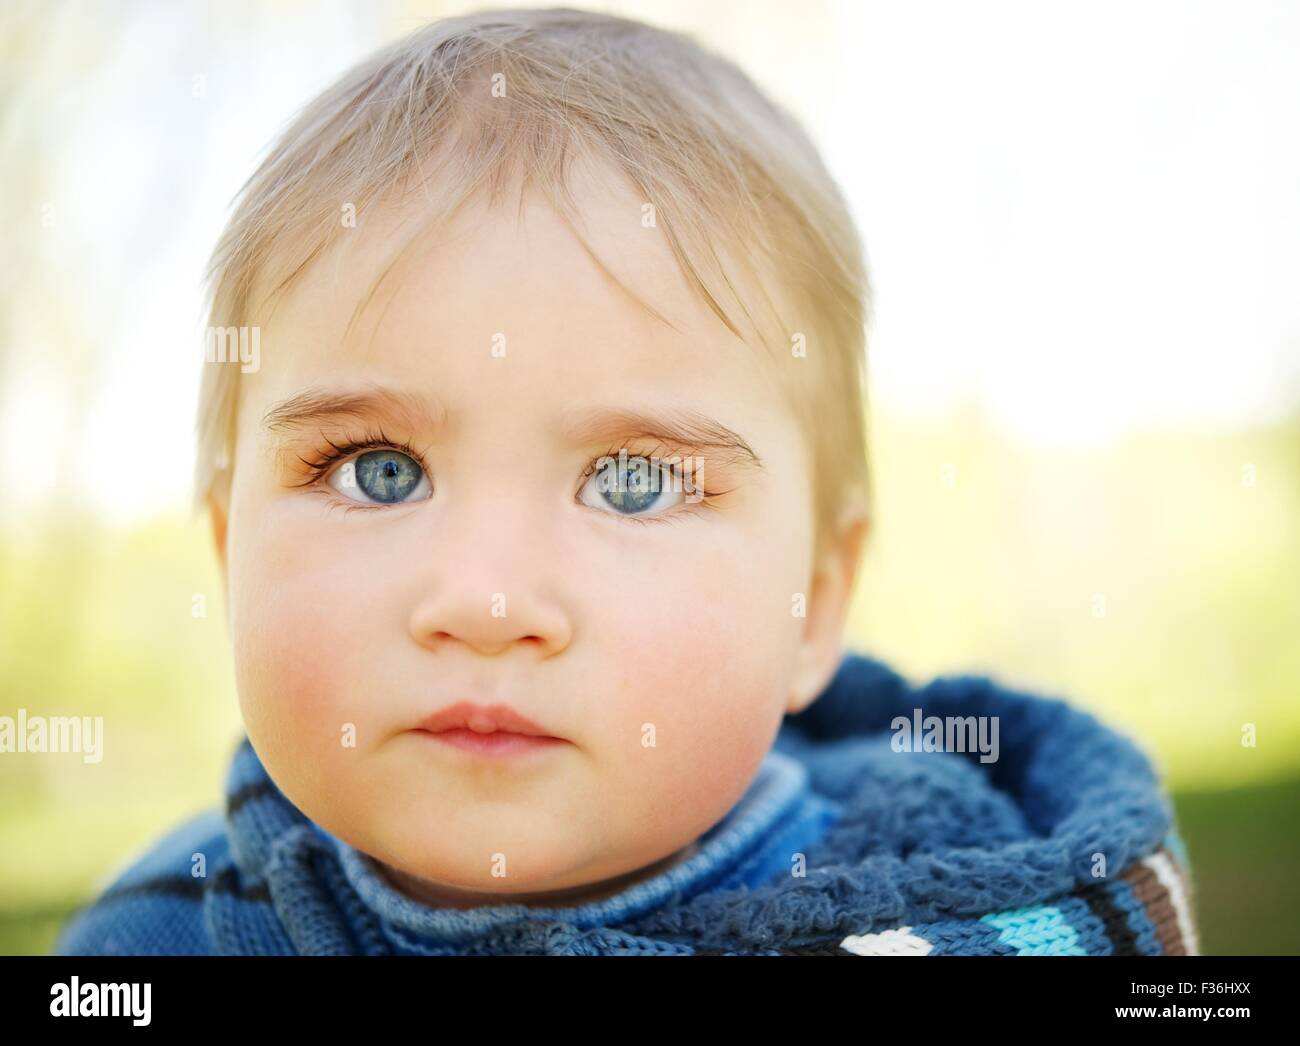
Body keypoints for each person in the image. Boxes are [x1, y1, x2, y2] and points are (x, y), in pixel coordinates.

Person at [53, 7, 1196, 955]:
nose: (488, 604)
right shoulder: (150, 936)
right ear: (225, 552)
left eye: (634, 481)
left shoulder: (978, 913)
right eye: (380, 471)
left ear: (815, 603)